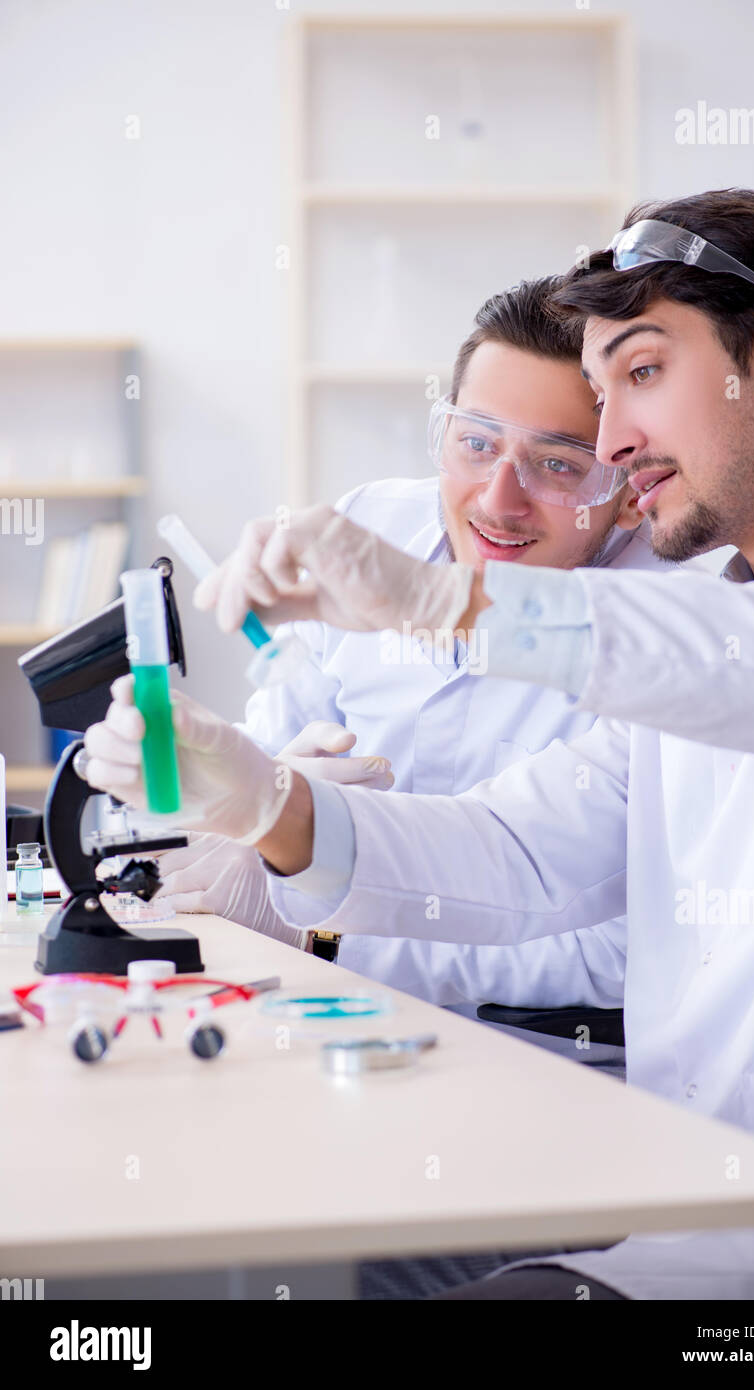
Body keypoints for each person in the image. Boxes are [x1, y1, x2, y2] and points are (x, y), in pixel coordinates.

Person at [86, 189, 754, 1300]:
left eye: (640, 375)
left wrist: (454, 603)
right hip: (702, 1197)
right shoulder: (728, 603)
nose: (611, 443)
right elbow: (524, 852)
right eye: (601, 397)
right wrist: (268, 808)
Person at [156, 276, 667, 1063]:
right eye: (476, 443)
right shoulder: (367, 530)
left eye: (557, 466)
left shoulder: (667, 623)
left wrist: (325, 924)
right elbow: (262, 774)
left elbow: (619, 952)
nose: (499, 500)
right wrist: (255, 805)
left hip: (557, 1062)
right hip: (319, 1027)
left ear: (625, 490)